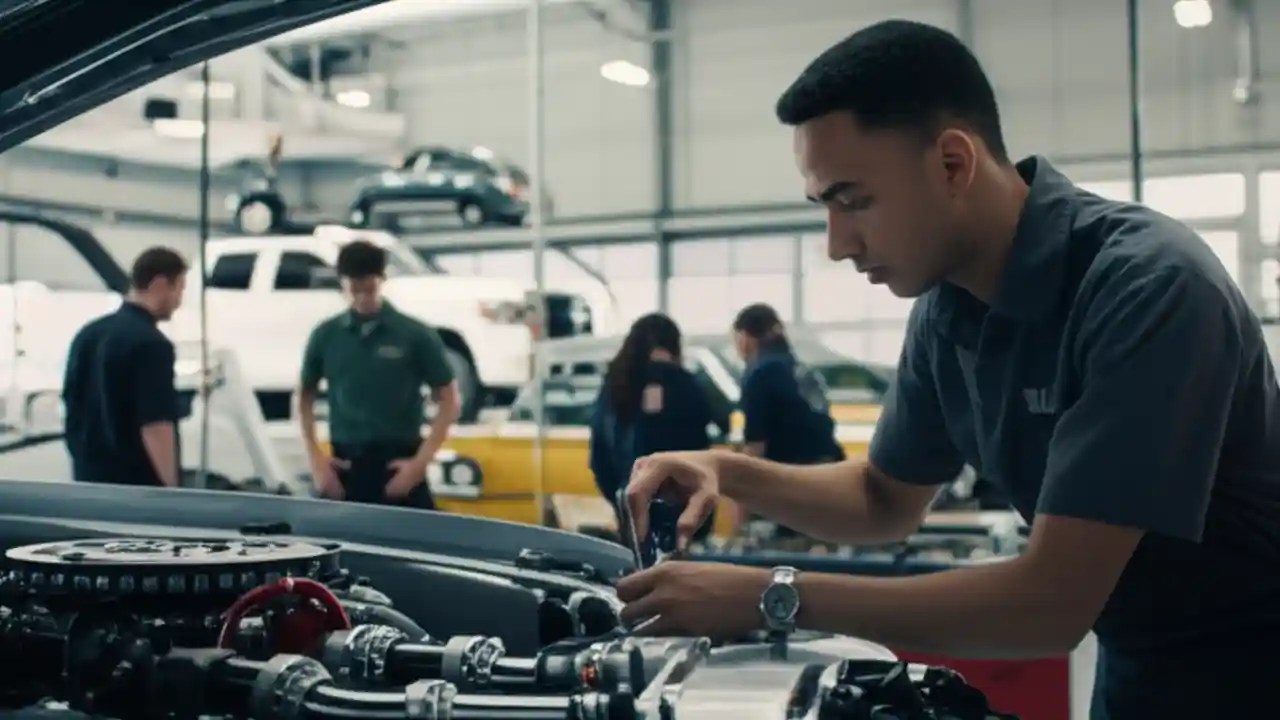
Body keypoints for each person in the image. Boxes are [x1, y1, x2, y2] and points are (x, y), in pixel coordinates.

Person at [616, 19, 1280, 720]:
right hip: (1140, 669)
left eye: (854, 200)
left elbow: (1050, 605)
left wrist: (769, 596)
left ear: (954, 164)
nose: (838, 244)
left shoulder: (1148, 287)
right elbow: (883, 498)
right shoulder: (947, 308)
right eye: (824, 207)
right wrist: (726, 470)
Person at [298, 239, 460, 508]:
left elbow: (449, 398)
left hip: (398, 464)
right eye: (355, 289)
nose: (363, 298)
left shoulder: (414, 335)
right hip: (345, 466)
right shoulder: (326, 336)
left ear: (382, 281)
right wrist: (316, 460)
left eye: (369, 289)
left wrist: (419, 464)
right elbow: (304, 396)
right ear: (342, 284)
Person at [63, 246, 188, 488]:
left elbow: (72, 405)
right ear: (160, 284)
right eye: (179, 289)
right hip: (136, 490)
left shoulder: (88, 334)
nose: (179, 302)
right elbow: (155, 424)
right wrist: (172, 490)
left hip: (86, 483)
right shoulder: (152, 344)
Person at [589, 313, 717, 546]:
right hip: (685, 519)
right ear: (673, 345)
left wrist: (623, 500)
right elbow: (702, 448)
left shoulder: (615, 386)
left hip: (632, 509)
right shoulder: (686, 386)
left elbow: (599, 458)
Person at [732, 303, 843, 465]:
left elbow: (756, 447)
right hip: (829, 465)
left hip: (793, 471)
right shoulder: (798, 367)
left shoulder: (759, 374)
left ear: (744, 336)